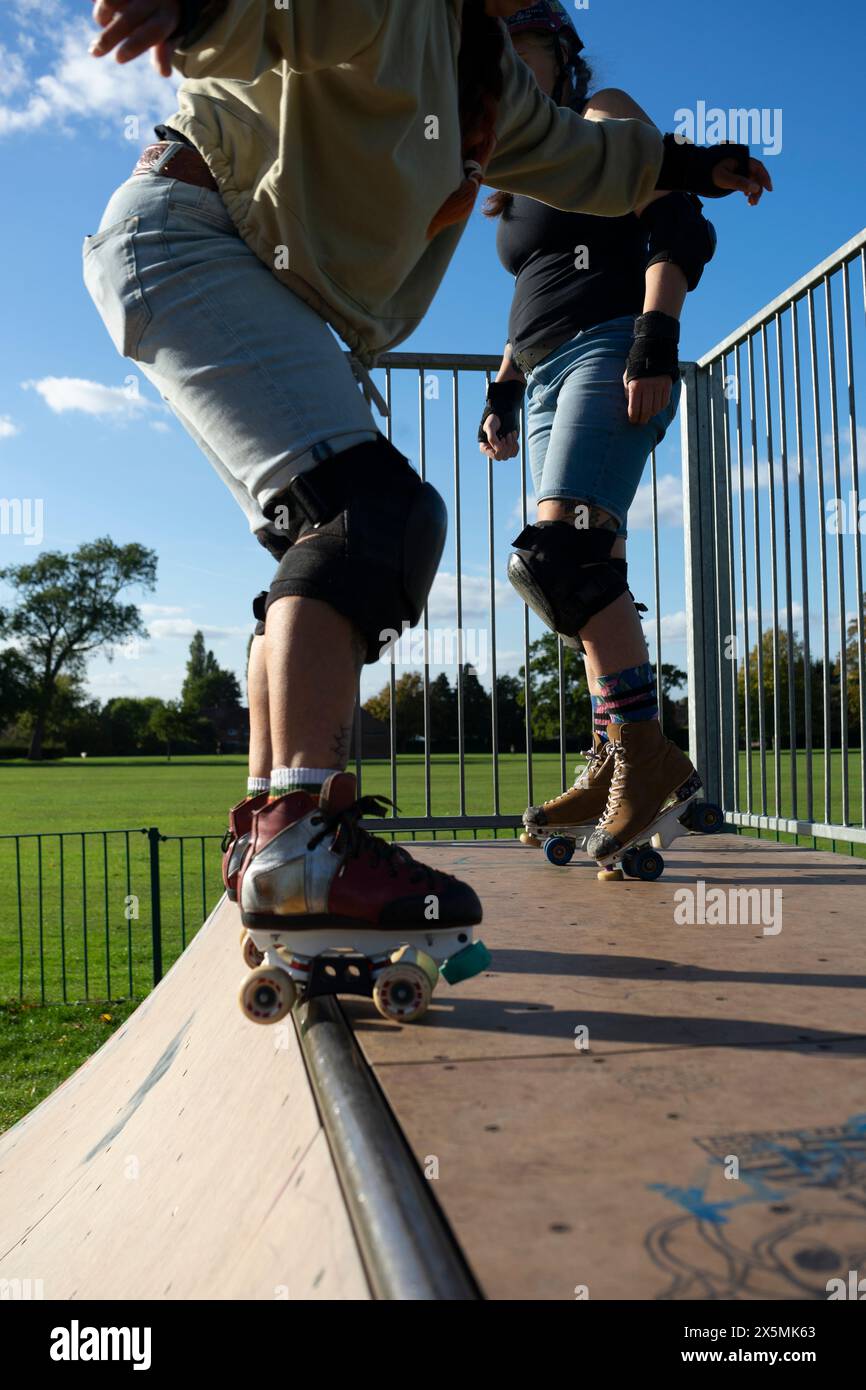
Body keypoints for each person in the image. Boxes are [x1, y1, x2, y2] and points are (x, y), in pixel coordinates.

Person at [85, 0, 770, 942]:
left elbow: (603, 165)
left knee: (324, 539)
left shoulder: (499, 103)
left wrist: (695, 165)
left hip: (227, 269)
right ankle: (302, 841)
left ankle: (267, 831)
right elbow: (280, 19)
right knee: (369, 519)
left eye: (535, 53)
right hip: (196, 235)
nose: (521, 72)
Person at [478, 2, 733, 875]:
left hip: (610, 344)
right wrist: (506, 386)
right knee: (591, 575)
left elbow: (675, 224)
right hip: (545, 367)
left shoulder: (603, 115)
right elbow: (539, 278)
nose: (507, 59)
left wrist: (654, 337)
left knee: (561, 557)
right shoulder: (514, 156)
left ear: (560, 49)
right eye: (494, 47)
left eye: (522, 41)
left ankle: (645, 756)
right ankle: (616, 760)